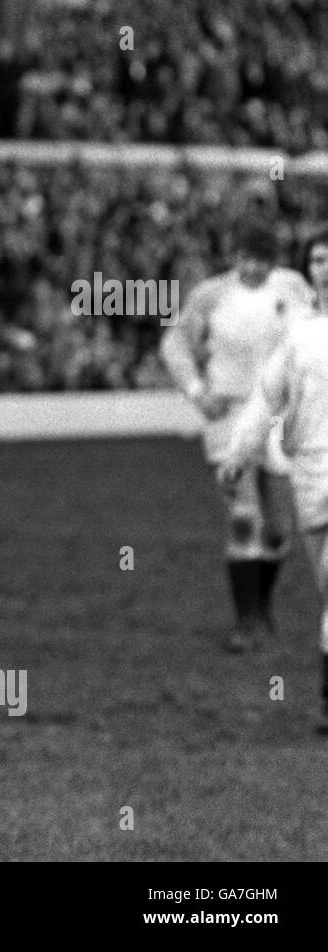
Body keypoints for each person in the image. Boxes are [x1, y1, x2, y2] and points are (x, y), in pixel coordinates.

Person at [161, 220, 314, 653]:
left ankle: (262, 605)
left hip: (279, 415)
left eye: (262, 260)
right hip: (230, 414)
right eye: (247, 258)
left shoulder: (293, 289)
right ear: (234, 257)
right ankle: (245, 621)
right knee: (245, 515)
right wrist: (196, 391)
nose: (254, 268)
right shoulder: (210, 295)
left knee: (280, 528)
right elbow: (175, 343)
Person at [220, 228, 328, 732]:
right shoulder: (299, 336)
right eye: (321, 259)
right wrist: (238, 452)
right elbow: (266, 398)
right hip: (313, 474)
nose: (327, 267)